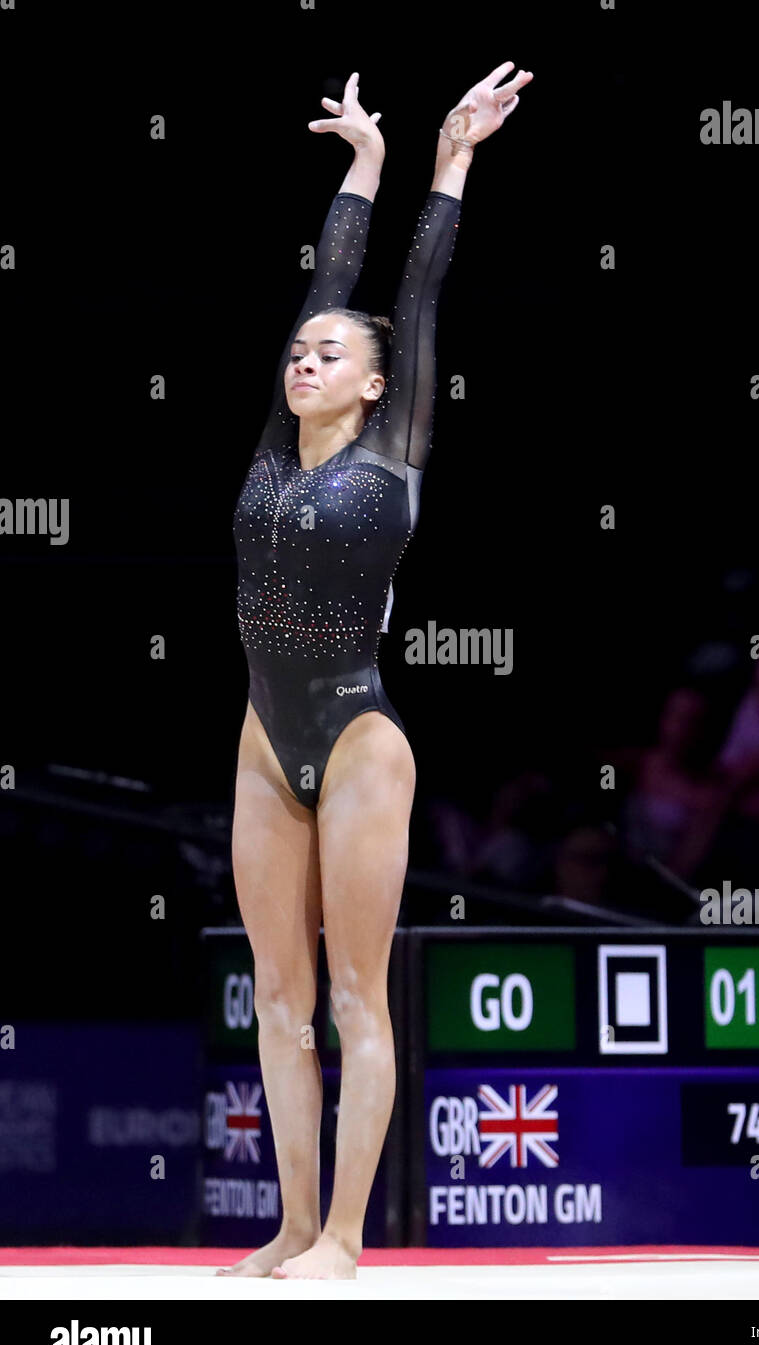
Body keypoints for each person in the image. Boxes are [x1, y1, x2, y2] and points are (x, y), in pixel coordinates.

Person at [219, 64, 533, 1280]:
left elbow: (407, 285)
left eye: (328, 351)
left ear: (373, 381)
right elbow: (328, 276)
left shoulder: (395, 452)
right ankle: (292, 1223)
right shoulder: (271, 444)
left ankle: (347, 1236)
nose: (305, 357)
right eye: (299, 348)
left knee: (357, 995)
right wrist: (359, 162)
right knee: (277, 1002)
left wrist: (446, 162)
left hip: (356, 736)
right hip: (260, 734)